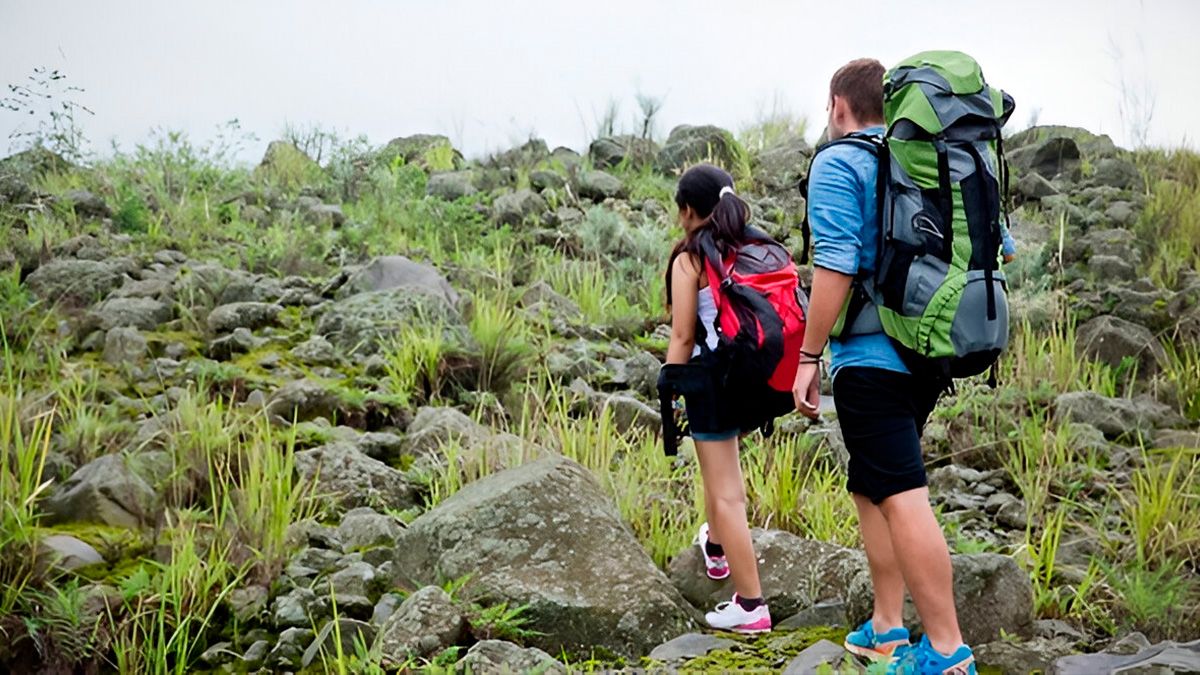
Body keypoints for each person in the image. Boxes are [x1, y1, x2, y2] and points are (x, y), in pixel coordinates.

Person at [791, 58, 978, 674]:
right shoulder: (923, 161)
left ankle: (948, 652)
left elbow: (836, 268)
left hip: (870, 358)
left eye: (828, 110)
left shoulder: (839, 161)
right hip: (926, 352)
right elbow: (995, 243)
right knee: (871, 485)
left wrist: (809, 356)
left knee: (899, 491)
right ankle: (887, 626)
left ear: (839, 106)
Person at [663, 164, 771, 634]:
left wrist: (670, 381)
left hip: (711, 378)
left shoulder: (690, 259)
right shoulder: (750, 247)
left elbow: (684, 334)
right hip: (752, 378)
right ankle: (717, 549)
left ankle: (751, 605)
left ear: (688, 210)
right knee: (719, 467)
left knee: (727, 492)